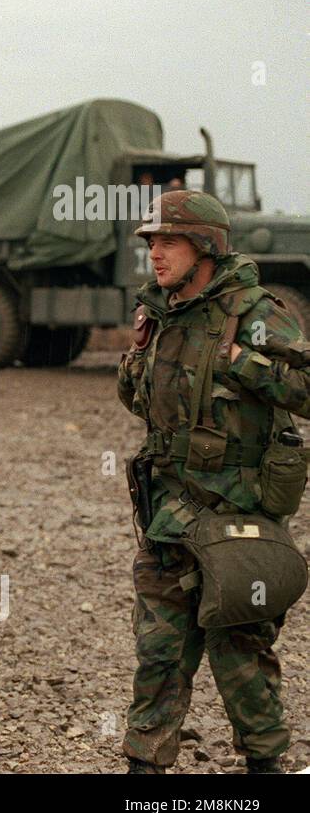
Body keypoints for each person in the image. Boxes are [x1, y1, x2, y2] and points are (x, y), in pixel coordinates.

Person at [118, 189, 310, 774]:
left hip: (239, 516)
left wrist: (244, 366)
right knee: (158, 656)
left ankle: (265, 766)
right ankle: (145, 771)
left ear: (205, 246)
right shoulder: (159, 312)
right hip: (169, 515)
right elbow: (139, 400)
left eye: (168, 242)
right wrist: (135, 358)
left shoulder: (257, 313)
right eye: (151, 242)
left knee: (242, 656)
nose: (156, 254)